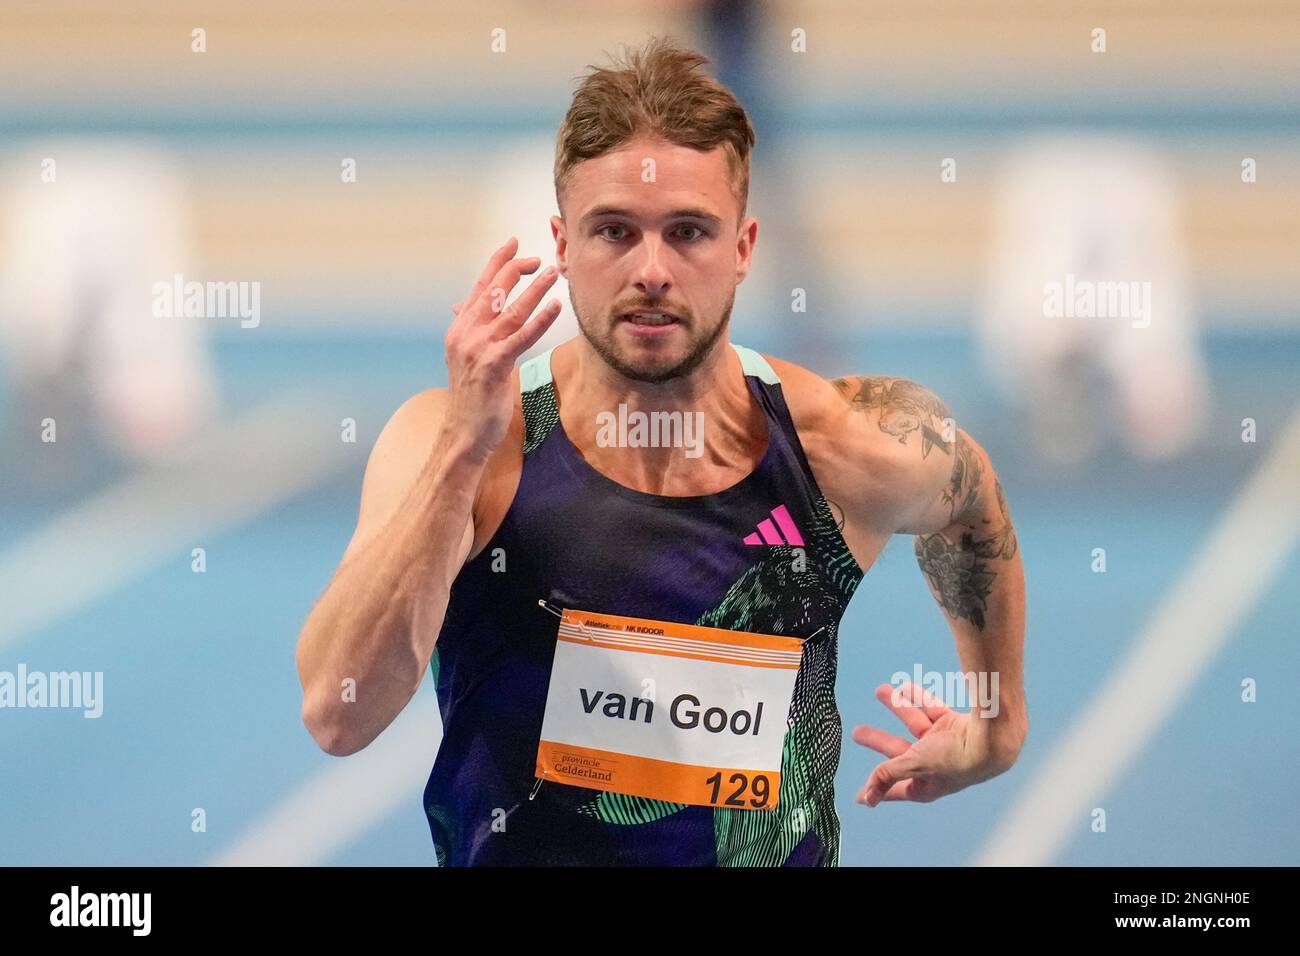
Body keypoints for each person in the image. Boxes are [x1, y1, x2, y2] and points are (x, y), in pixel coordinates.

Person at [294, 37, 1027, 866]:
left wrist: (996, 729)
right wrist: (462, 455)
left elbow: (972, 504)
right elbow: (337, 714)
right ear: (562, 244)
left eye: (689, 232)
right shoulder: (461, 446)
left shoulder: (841, 448)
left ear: (745, 249)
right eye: (614, 231)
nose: (652, 271)